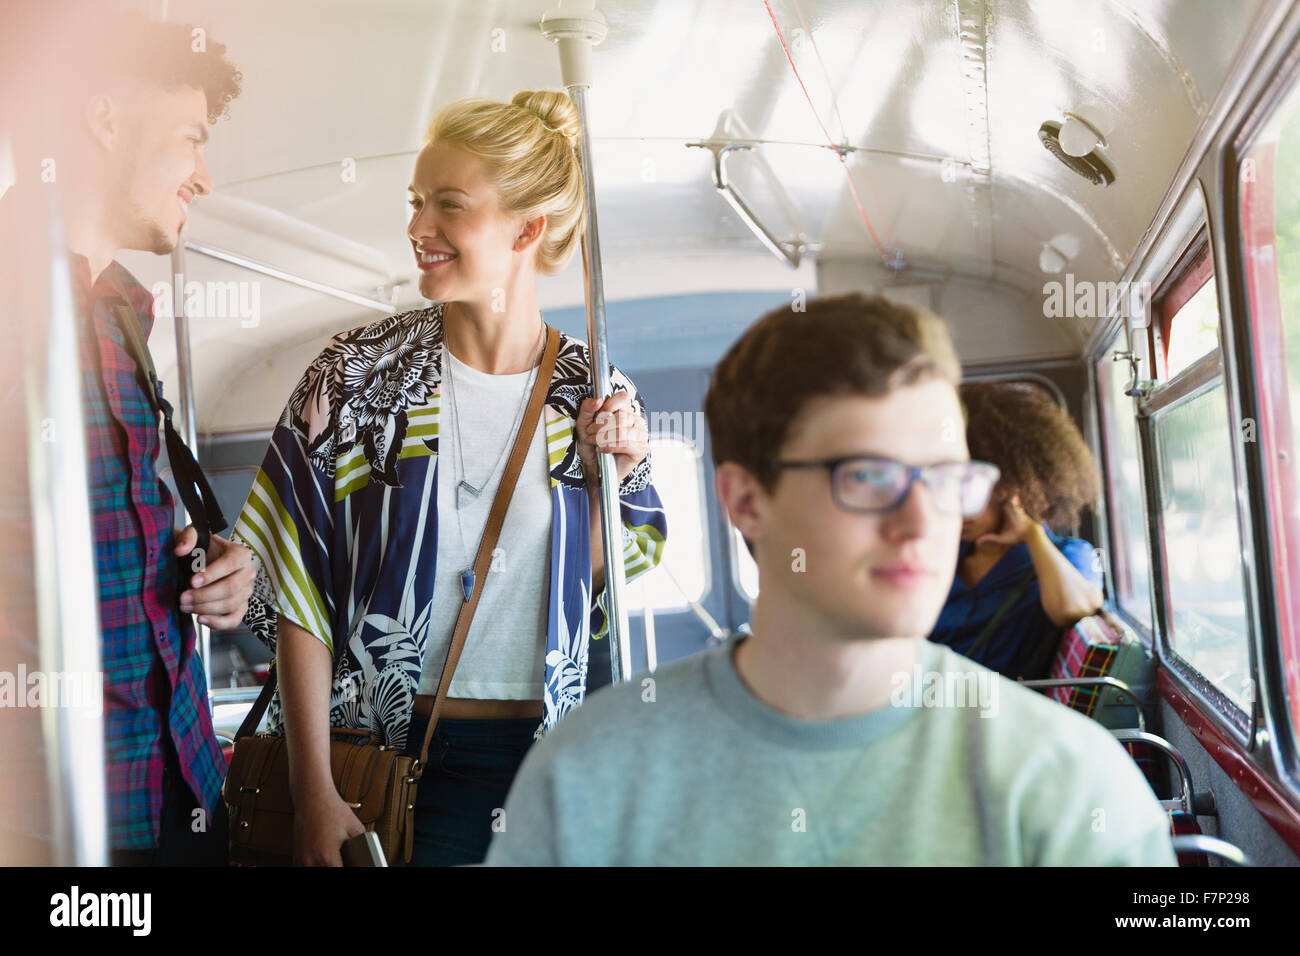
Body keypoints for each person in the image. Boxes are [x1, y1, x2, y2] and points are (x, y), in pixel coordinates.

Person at [484, 293, 1175, 866]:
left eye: (942, 477)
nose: (919, 522)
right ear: (748, 501)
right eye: (869, 476)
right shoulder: (590, 777)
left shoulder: (1069, 787)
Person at [231, 91, 667, 867]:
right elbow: (299, 590)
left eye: (448, 206)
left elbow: (588, 587)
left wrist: (621, 479)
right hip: (376, 757)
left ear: (527, 229)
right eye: (415, 203)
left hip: (542, 764)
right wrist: (313, 789)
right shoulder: (358, 374)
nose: (416, 228)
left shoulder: (590, 394)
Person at [1, 7, 251, 865]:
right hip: (56, 821)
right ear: (104, 117)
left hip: (180, 785)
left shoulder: (122, 314)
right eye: (191, 137)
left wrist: (204, 568)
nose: (204, 176)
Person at [928, 381, 1105, 680]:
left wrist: (1032, 532)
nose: (960, 509)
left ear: (1014, 489)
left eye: (973, 492)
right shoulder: (941, 554)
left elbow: (1071, 609)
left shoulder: (1067, 555)